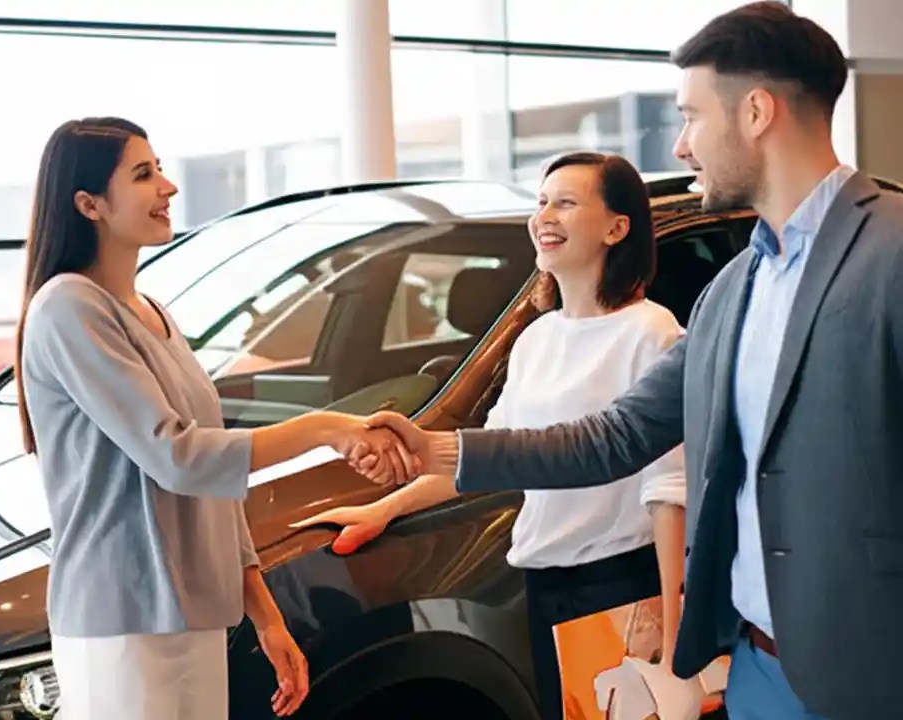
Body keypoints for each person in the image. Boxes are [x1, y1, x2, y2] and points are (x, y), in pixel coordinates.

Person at [348, 3, 903, 718]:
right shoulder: (734, 290)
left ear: (757, 112)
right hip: (756, 668)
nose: (680, 146)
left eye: (692, 117)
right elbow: (612, 438)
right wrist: (434, 449)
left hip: (873, 672)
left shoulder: (890, 253)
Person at [13, 117, 416, 720]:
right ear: (88, 203)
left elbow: (212, 485)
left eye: (160, 170)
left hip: (192, 614)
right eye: (144, 174)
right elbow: (179, 457)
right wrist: (325, 428)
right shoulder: (68, 308)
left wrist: (265, 615)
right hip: (121, 620)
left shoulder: (152, 311)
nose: (168, 187)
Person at [294, 152, 695, 720]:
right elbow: (497, 452)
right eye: (541, 202)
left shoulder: (651, 333)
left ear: (617, 227)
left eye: (566, 202)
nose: (545, 216)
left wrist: (676, 636)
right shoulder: (539, 337)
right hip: (547, 588)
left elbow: (669, 493)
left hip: (622, 587)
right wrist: (383, 510)